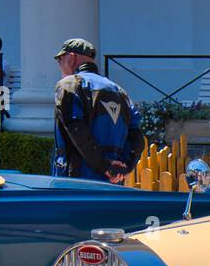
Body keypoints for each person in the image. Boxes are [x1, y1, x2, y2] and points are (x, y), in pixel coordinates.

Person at [50, 37, 142, 184]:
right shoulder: (120, 92)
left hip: (75, 182)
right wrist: (122, 168)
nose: (59, 64)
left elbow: (76, 129)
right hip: (113, 182)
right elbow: (136, 136)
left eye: (60, 59)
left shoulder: (69, 84)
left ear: (71, 58)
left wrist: (104, 166)